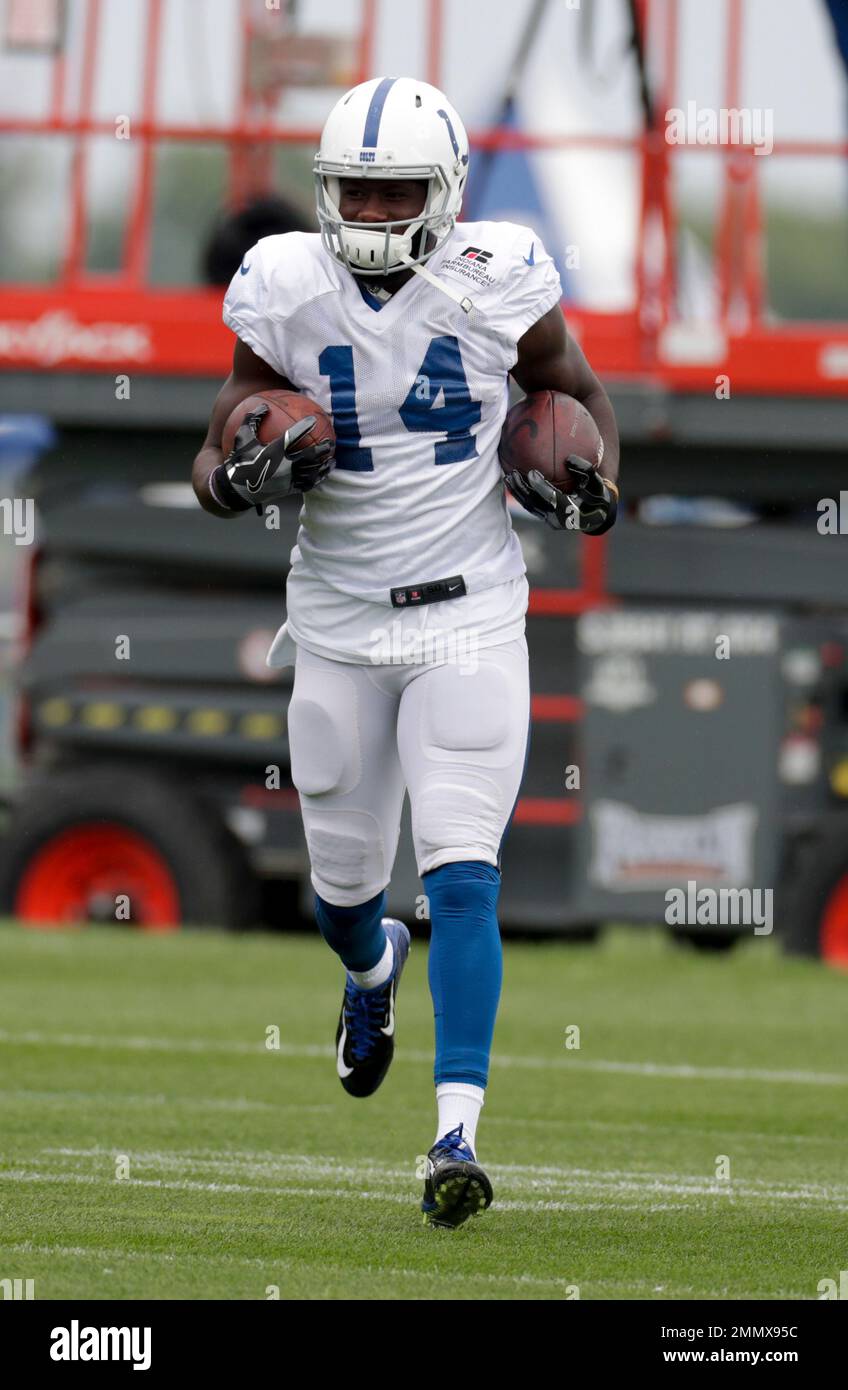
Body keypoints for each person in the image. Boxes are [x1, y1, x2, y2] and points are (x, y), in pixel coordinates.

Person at [192, 75, 619, 1229]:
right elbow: (216, 442)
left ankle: (454, 1136)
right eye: (353, 191)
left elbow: (572, 392)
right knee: (338, 895)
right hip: (334, 619)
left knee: (461, 869)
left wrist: (591, 485)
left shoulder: (498, 276)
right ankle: (367, 968)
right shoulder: (284, 282)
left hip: (466, 612)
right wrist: (240, 476)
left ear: (445, 193)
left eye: (393, 192)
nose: (372, 213)